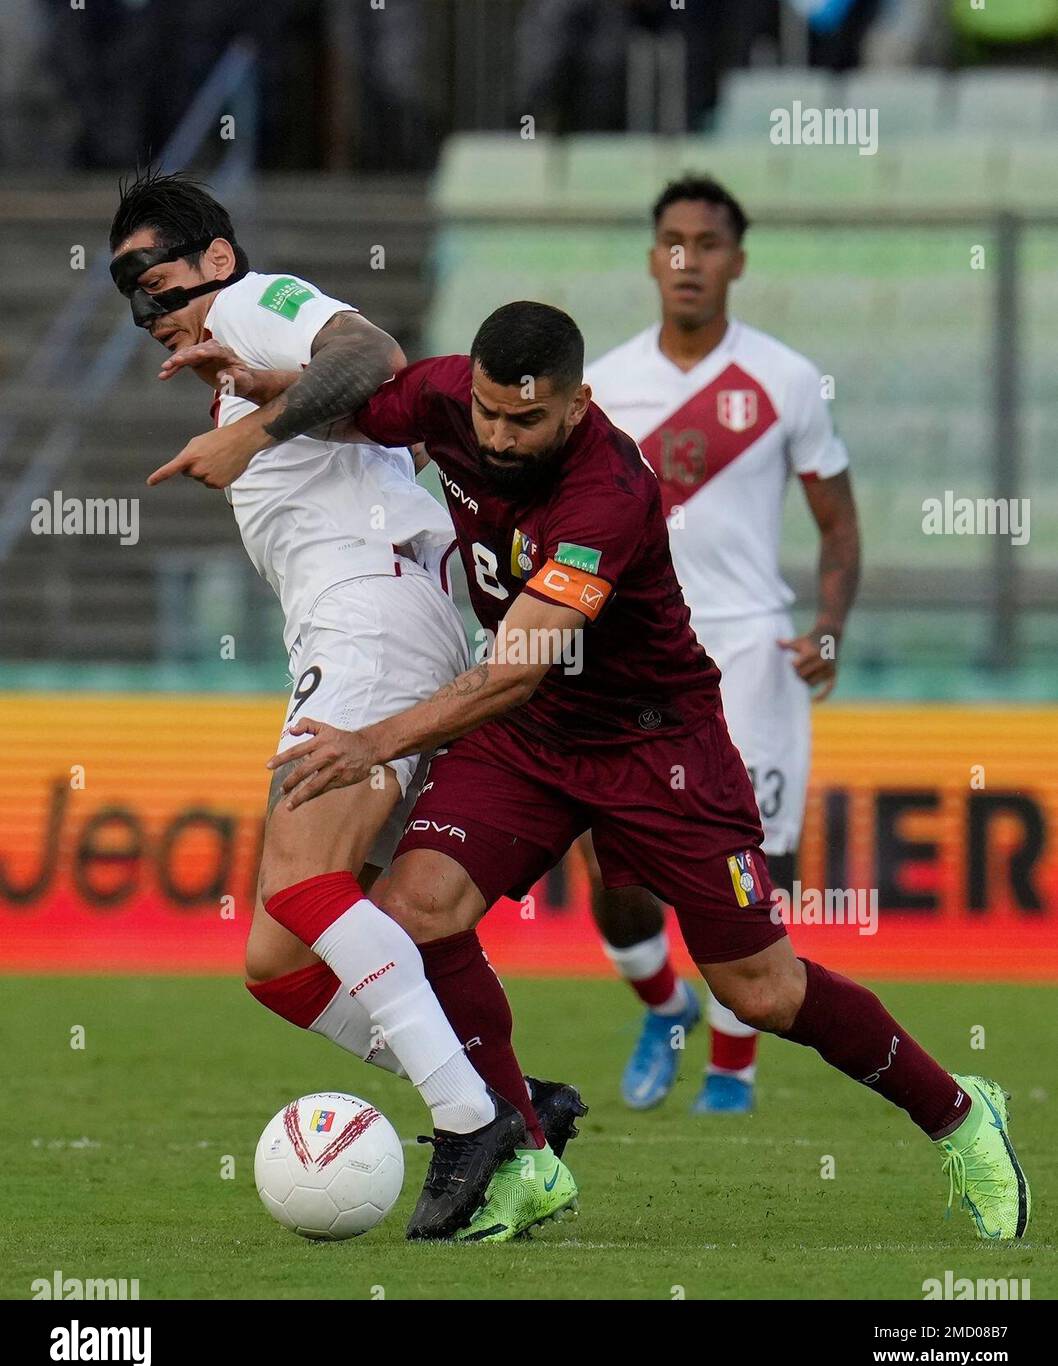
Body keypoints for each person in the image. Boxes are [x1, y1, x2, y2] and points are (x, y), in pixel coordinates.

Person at [156, 300, 1030, 1245]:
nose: (499, 436)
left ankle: (961, 1114)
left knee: (760, 991)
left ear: (577, 405)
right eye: (489, 412)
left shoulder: (608, 491)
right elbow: (355, 402)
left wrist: (374, 742)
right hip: (533, 736)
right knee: (418, 909)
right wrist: (266, 391)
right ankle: (526, 1159)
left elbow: (516, 668)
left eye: (525, 420)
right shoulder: (449, 395)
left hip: (654, 745)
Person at [111, 171, 582, 1242]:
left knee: (301, 883)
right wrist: (264, 402)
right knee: (278, 961)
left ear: (215, 259)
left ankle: (474, 1121)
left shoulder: (252, 299)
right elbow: (368, 409)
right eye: (127, 293)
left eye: (155, 279)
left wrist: (251, 432)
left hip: (368, 621)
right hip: (387, 623)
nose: (146, 308)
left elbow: (372, 356)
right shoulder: (250, 354)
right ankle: (511, 1105)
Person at [581, 173, 860, 1114]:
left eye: (708, 244)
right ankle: (666, 1005)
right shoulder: (605, 386)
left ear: (737, 261)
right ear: (651, 257)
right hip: (631, 654)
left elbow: (839, 525)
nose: (688, 259)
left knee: (759, 867)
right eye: (674, 241)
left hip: (751, 650)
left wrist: (828, 629)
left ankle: (734, 1068)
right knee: (615, 874)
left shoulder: (785, 379)